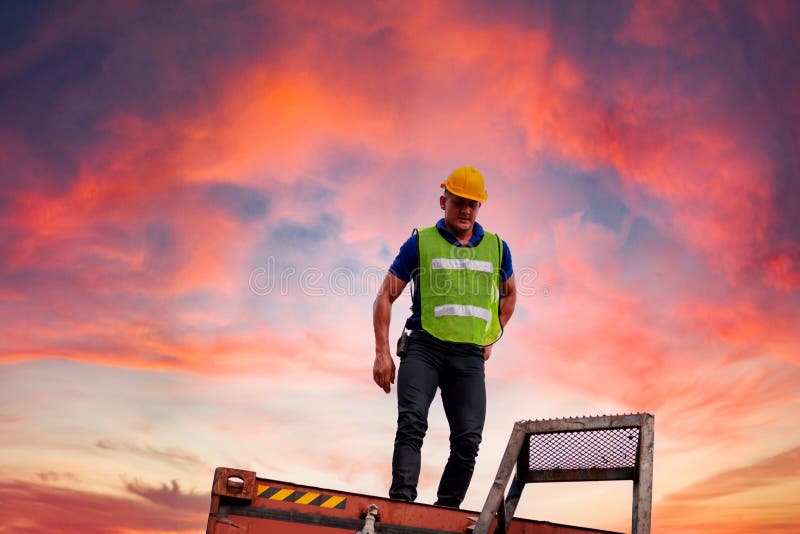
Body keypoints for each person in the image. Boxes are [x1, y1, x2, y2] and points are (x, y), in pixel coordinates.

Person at [372, 165, 517, 508]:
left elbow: (510, 295)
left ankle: (445, 513)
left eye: (473, 204)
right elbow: (384, 296)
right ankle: (402, 506)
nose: (466, 210)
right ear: (443, 201)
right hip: (424, 348)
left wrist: (491, 336)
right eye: (459, 202)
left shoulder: (497, 248)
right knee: (411, 424)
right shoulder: (420, 242)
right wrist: (381, 353)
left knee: (468, 441)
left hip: (468, 358)